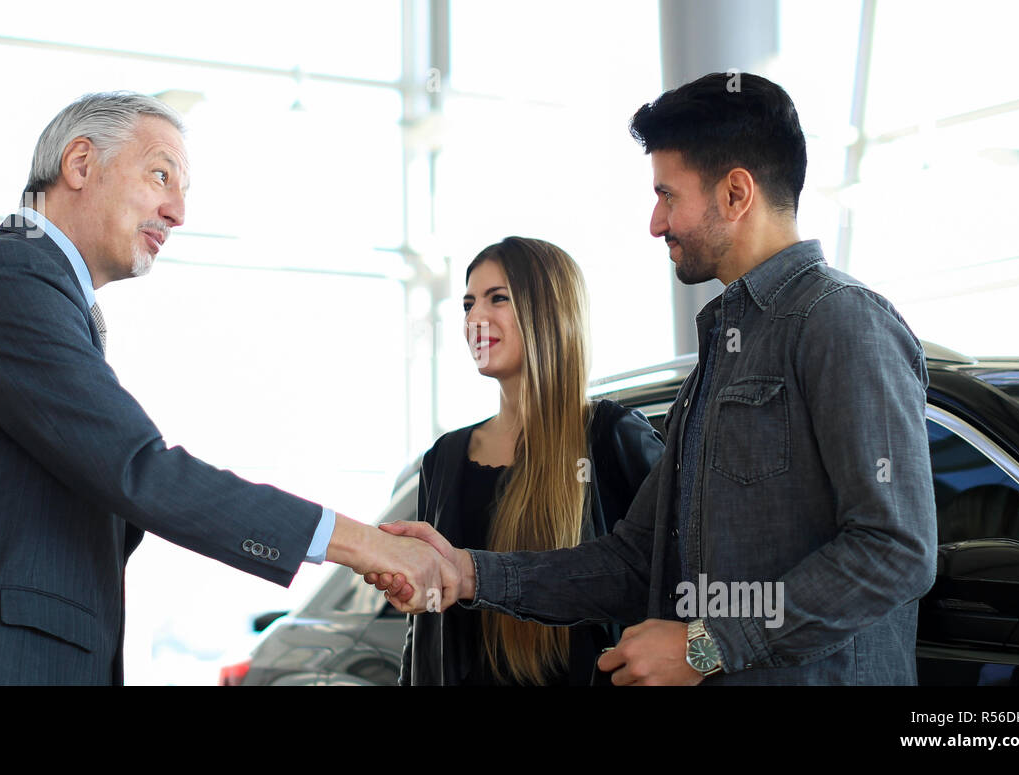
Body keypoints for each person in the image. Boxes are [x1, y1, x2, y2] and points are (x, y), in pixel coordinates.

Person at [0, 91, 455, 685]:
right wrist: (363, 545)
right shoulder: (6, 278)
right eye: (160, 175)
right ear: (81, 164)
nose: (177, 212)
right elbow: (140, 472)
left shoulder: (38, 290)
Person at [373, 72, 938, 686]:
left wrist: (706, 645)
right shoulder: (723, 356)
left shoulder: (842, 322)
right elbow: (636, 561)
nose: (655, 221)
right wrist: (468, 572)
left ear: (736, 193)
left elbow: (895, 551)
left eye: (668, 195)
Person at [397, 238, 663, 686]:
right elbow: (423, 629)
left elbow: (667, 578)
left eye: (497, 298)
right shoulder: (444, 457)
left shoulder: (612, 437)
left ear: (549, 310)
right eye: (467, 304)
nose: (474, 319)